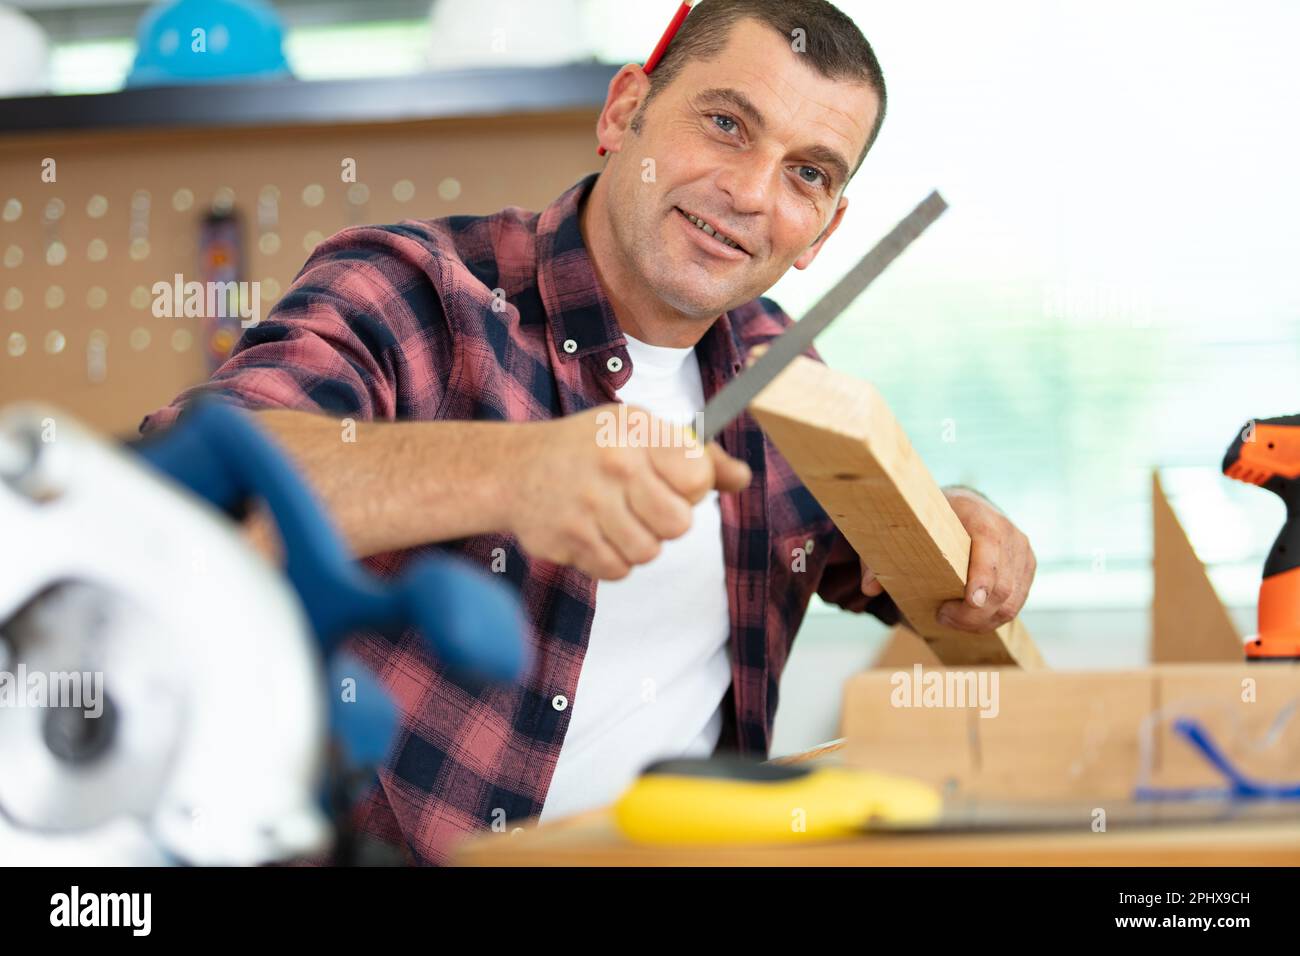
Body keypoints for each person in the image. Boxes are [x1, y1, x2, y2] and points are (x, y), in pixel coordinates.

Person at [141, 0, 1036, 865]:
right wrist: (513, 470)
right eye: (726, 124)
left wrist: (966, 522)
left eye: (808, 172)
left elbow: (880, 556)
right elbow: (193, 491)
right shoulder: (411, 289)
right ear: (624, 112)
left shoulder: (786, 375)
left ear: (824, 231)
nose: (752, 193)